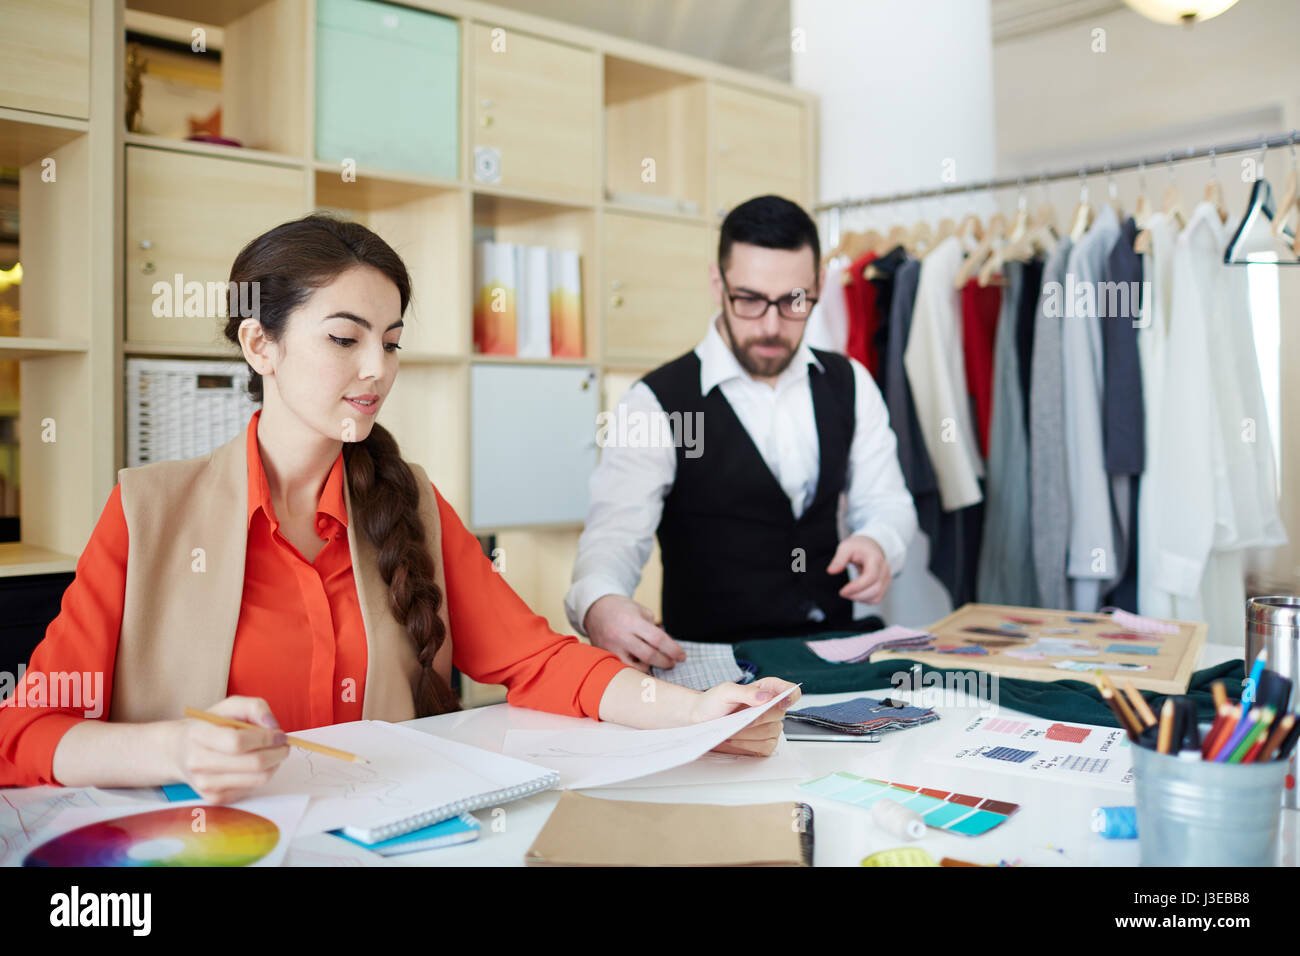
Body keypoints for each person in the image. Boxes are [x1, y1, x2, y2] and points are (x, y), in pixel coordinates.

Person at [0, 215, 798, 802]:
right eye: (344, 339)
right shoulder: (148, 514)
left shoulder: (406, 497)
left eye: (392, 340)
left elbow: (538, 661)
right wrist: (176, 748)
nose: (376, 368)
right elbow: (22, 737)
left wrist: (697, 711)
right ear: (259, 345)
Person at [566, 195, 917, 672]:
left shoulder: (850, 383)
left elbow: (889, 504)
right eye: (749, 300)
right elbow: (614, 536)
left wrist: (880, 541)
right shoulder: (656, 401)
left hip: (830, 652)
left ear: (817, 286)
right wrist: (600, 603)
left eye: (794, 301)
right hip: (709, 665)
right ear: (717, 283)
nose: (771, 327)